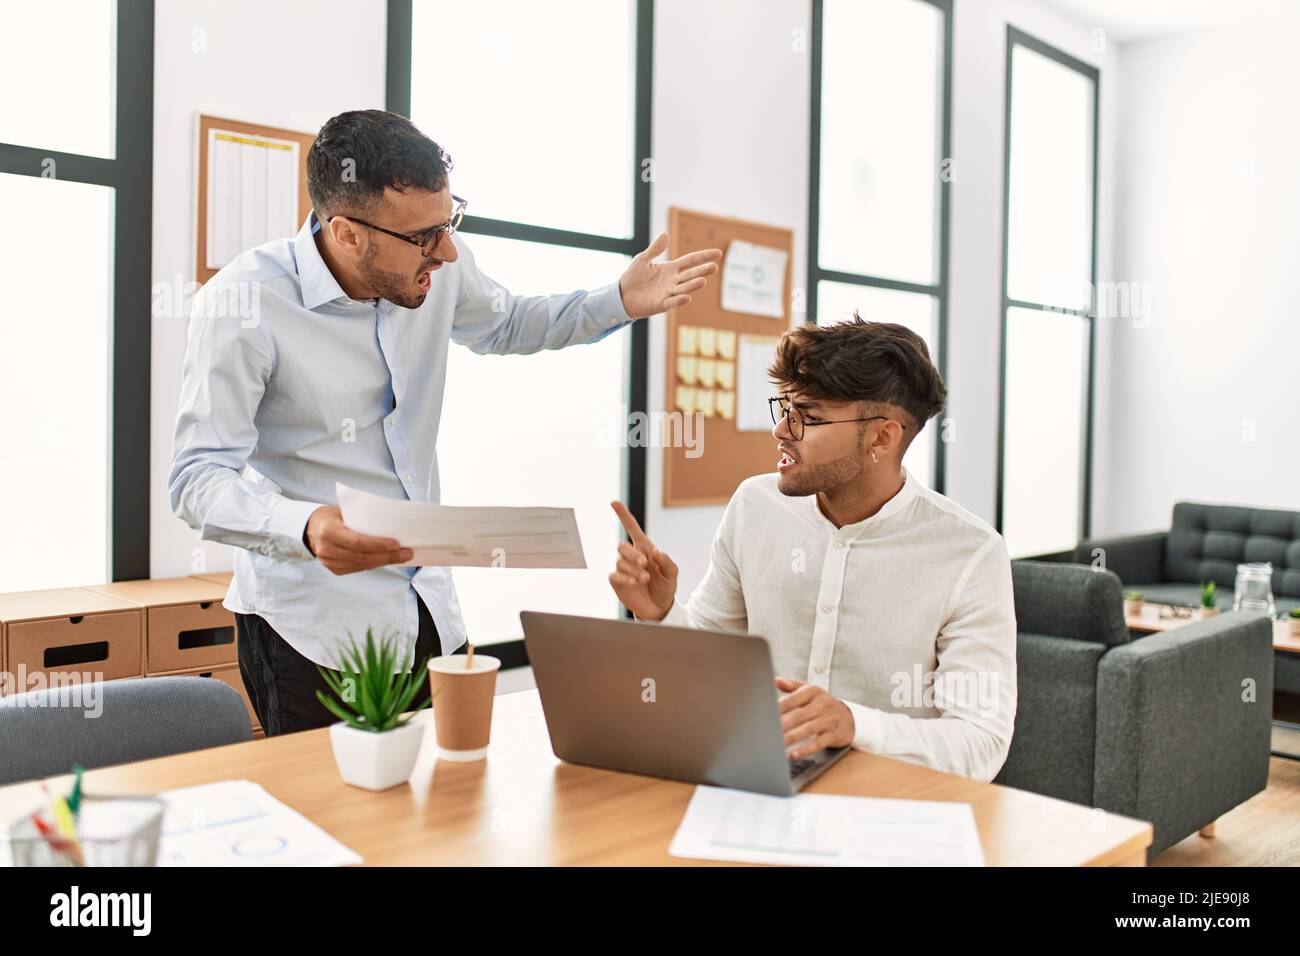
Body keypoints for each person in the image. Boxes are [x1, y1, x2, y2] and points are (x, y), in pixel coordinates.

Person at [170, 109, 721, 736]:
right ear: (347, 233)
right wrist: (306, 525)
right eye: (426, 237)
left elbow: (507, 324)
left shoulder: (436, 263)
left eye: (449, 223)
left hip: (430, 612)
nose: (448, 250)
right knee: (337, 822)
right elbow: (196, 478)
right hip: (314, 630)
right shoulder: (246, 304)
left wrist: (616, 301)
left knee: (444, 808)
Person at [608, 316, 1017, 781]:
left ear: (883, 436)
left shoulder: (970, 552)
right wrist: (661, 614)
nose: (782, 431)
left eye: (811, 417)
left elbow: (980, 743)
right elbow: (711, 659)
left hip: (890, 809)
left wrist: (853, 724)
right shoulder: (754, 506)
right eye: (785, 409)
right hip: (757, 778)